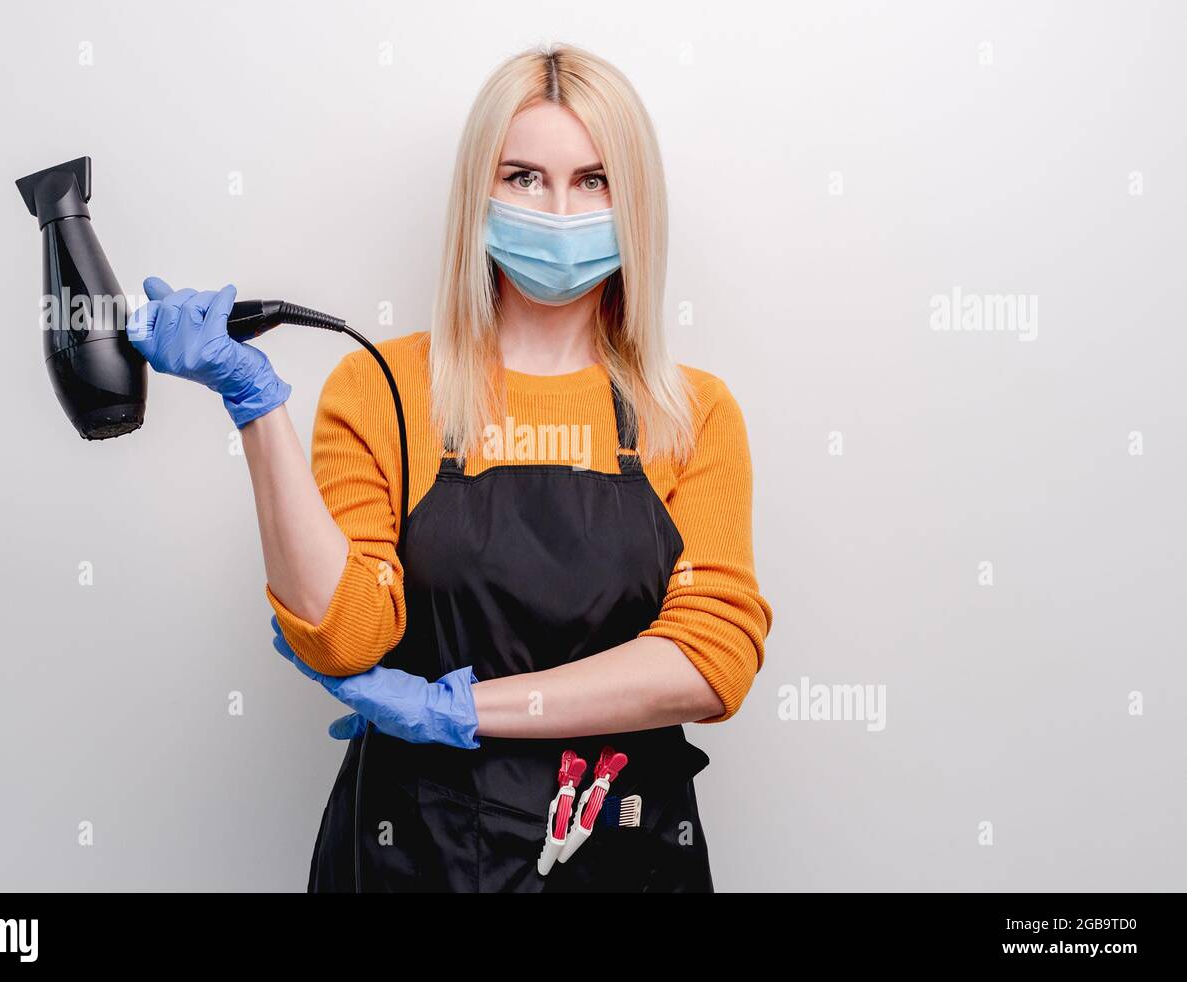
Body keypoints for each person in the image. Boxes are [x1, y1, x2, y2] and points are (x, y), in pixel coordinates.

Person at [126, 43, 772, 893]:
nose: (559, 209)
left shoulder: (692, 412)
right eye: (524, 177)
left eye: (594, 180)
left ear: (634, 203)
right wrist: (257, 408)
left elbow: (709, 661)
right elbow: (348, 632)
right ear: (479, 194)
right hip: (413, 850)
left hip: (624, 847)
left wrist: (458, 710)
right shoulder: (385, 387)